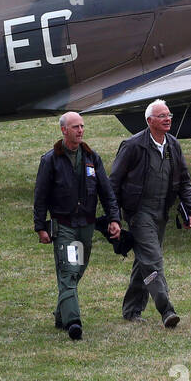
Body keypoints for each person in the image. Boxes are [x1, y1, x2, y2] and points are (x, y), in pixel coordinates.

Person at [33, 112, 121, 340]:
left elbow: (107, 192)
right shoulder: (50, 160)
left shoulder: (93, 158)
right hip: (64, 227)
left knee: (76, 271)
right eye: (75, 127)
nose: (80, 130)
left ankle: (61, 314)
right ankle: (73, 323)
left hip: (86, 226)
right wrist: (40, 227)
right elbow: (40, 196)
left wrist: (114, 219)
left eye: (82, 126)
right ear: (64, 130)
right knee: (69, 271)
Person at [108, 99, 191, 328]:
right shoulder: (133, 146)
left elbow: (184, 180)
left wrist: (190, 211)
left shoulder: (173, 145)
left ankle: (131, 310)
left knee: (144, 261)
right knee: (154, 260)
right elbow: (113, 183)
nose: (168, 119)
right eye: (162, 116)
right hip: (139, 213)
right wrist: (114, 217)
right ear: (149, 121)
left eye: (169, 115)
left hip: (161, 213)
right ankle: (167, 310)